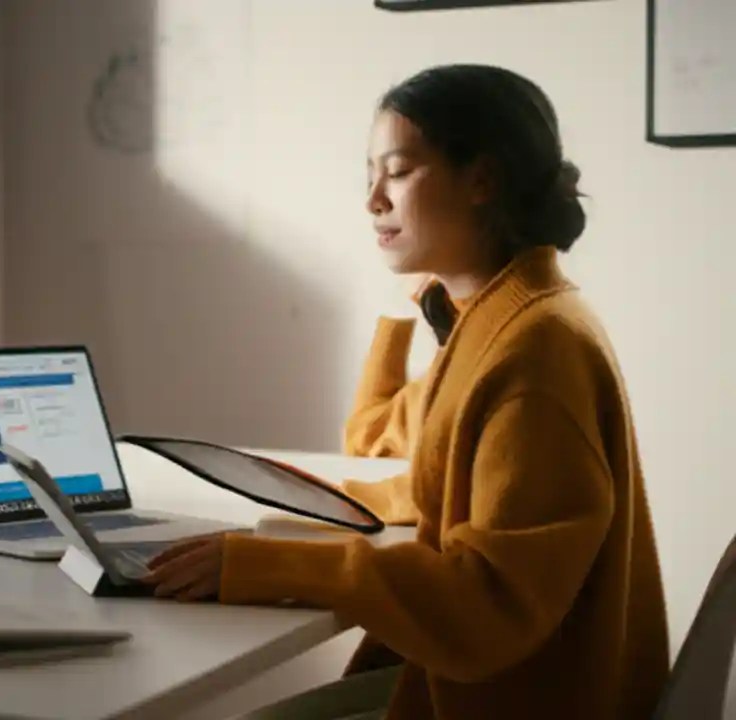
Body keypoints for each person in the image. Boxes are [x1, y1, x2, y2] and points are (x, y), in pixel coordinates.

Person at [142, 63, 670, 720]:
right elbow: (387, 448)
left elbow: (488, 603)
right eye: (369, 176)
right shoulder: (499, 318)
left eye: (395, 172)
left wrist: (263, 563)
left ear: (482, 180)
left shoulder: (533, 351)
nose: (372, 200)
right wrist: (308, 505)